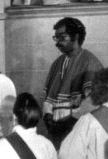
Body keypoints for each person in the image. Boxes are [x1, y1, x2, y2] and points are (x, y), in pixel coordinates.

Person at [42, 17, 103, 147]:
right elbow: (48, 99)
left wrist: (70, 121)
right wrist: (47, 116)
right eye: (56, 38)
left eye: (62, 37)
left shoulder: (90, 62)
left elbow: (93, 101)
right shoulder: (56, 64)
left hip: (78, 128)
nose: (57, 42)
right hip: (56, 130)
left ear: (75, 36)